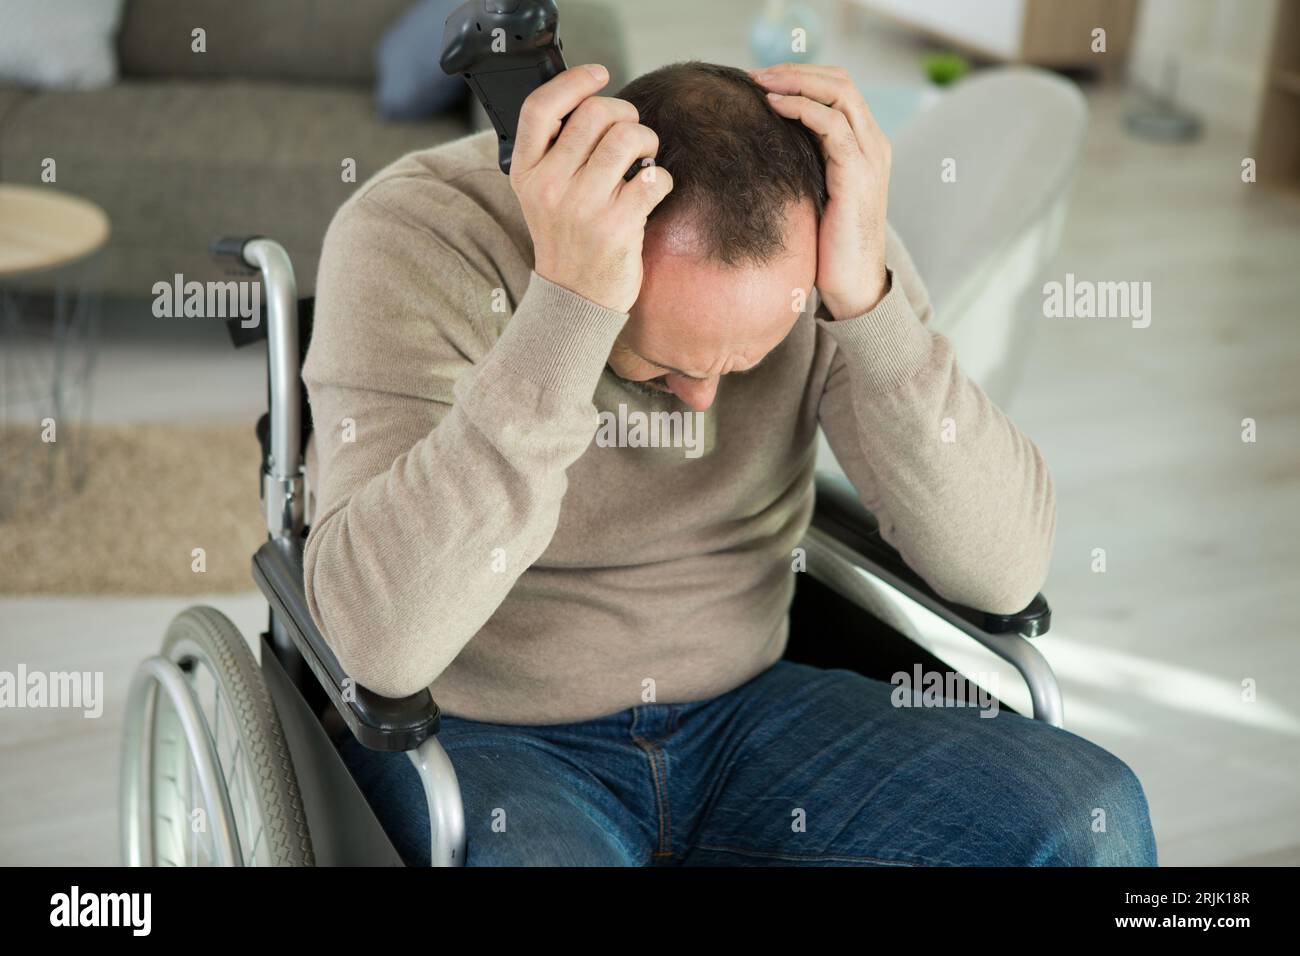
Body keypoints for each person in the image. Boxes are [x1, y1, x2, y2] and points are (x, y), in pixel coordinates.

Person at [302, 60, 1157, 866]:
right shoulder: (416, 236)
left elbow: (1003, 576)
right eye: (661, 364)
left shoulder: (828, 248)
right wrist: (567, 311)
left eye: (744, 361)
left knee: (1089, 814)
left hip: (749, 708)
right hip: (484, 734)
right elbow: (380, 646)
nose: (704, 403)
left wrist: (871, 310)